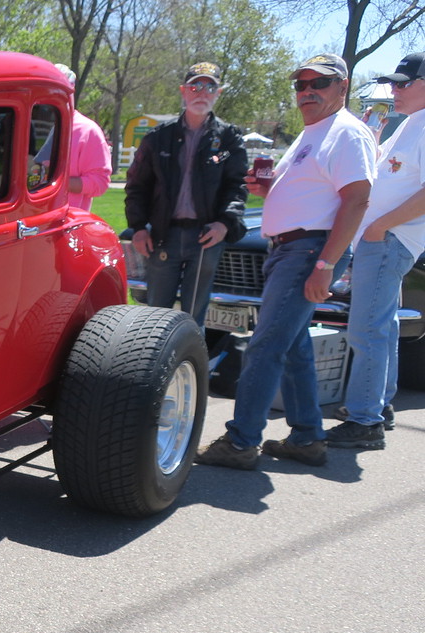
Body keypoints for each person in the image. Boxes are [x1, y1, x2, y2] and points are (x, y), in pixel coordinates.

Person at [196, 54, 376, 470]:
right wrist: (268, 190)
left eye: (320, 83)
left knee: (265, 346)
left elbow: (357, 200)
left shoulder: (348, 133)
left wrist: (326, 264)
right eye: (301, 84)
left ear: (342, 87)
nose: (307, 91)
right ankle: (308, 438)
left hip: (308, 251)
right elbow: (312, 193)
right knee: (292, 347)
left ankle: (241, 443)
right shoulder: (313, 132)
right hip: (289, 250)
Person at [326, 51, 425, 450]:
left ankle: (364, 420)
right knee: (383, 327)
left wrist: (381, 226)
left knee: (366, 328)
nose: (394, 89)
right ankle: (378, 407)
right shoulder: (409, 124)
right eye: (393, 83)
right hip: (381, 240)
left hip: (388, 241)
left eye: (404, 83)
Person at [125, 62, 248, 328]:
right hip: (163, 236)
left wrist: (224, 223)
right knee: (155, 315)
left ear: (218, 93)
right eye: (195, 86)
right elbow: (137, 186)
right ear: (184, 91)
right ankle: (152, 368)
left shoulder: (228, 140)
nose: (201, 92)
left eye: (209, 86)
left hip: (206, 238)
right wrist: (138, 228)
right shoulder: (158, 138)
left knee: (193, 318)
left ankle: (191, 367)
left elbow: (236, 184)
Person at [53, 64, 112, 212]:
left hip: (66, 223)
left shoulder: (87, 131)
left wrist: (51, 183)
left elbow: (100, 183)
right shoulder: (26, 126)